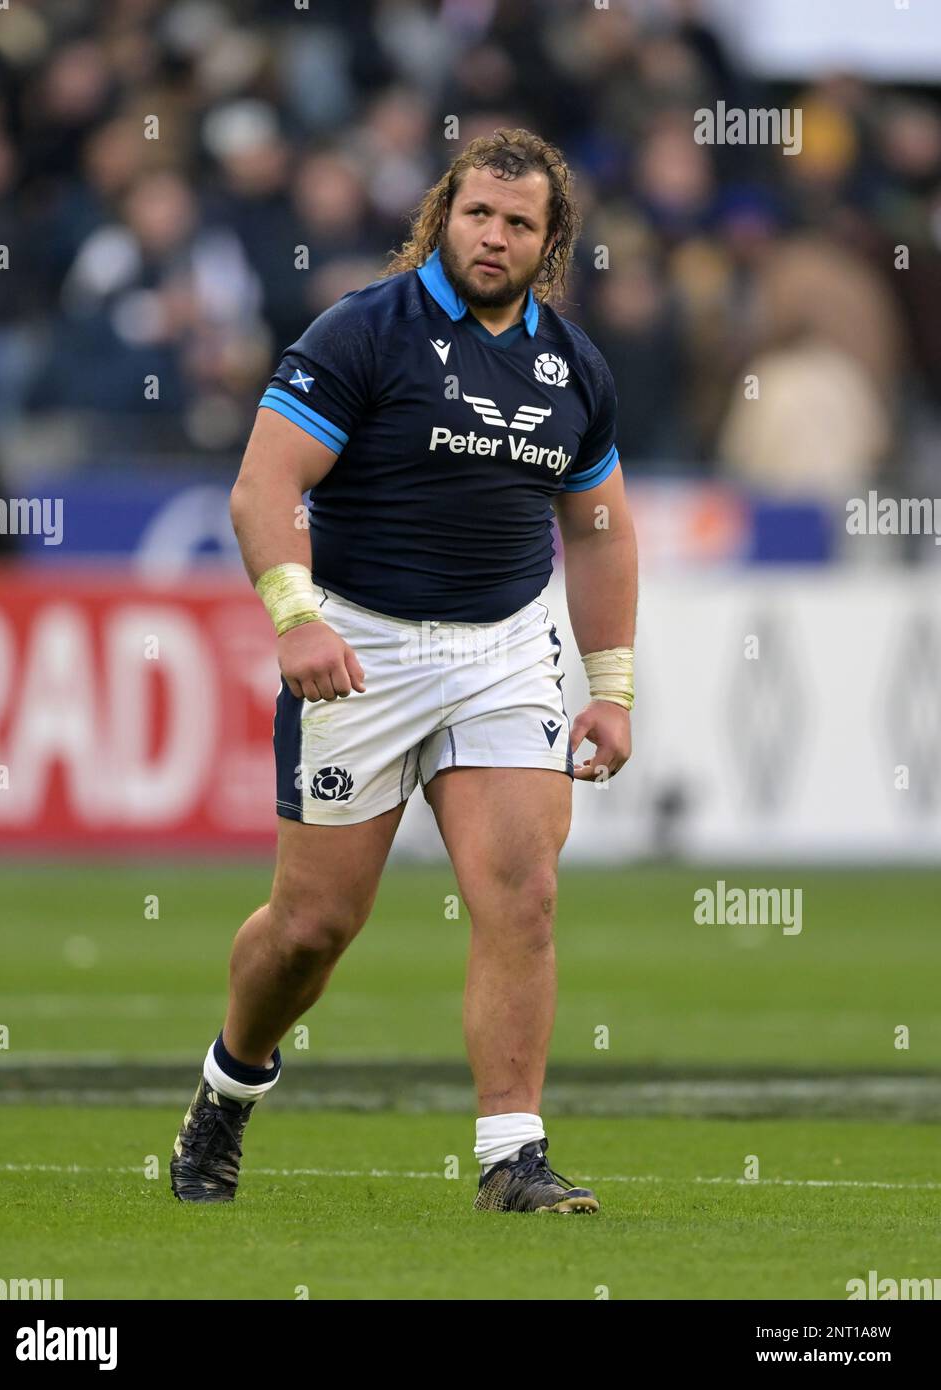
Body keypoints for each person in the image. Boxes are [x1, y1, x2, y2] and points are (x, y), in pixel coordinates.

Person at [170, 129, 638, 1214]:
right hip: (361, 647)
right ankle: (229, 1084)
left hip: (506, 648)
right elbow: (264, 486)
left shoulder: (574, 365)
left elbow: (605, 530)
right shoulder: (363, 330)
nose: (495, 236)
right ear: (444, 215)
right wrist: (294, 619)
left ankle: (512, 1156)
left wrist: (610, 690)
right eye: (479, 214)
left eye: (520, 223)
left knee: (522, 891)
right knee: (312, 929)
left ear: (549, 241)